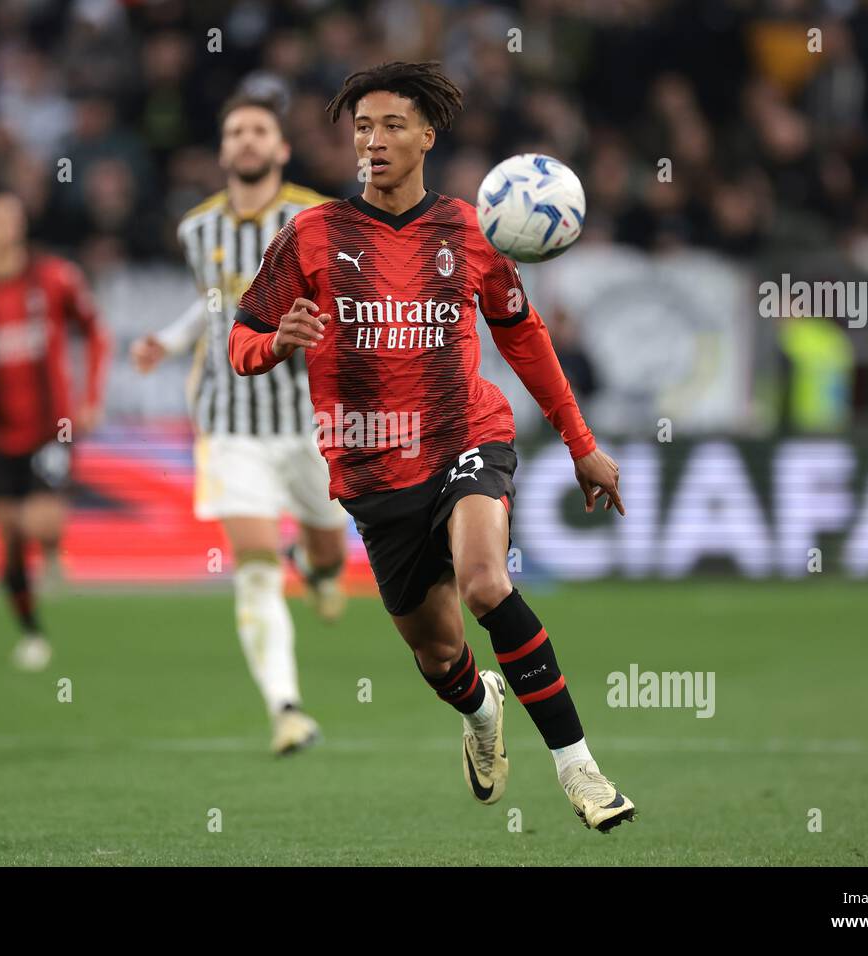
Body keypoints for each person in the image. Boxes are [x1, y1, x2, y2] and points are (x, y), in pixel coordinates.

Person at [228, 62, 636, 830]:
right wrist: (275, 343)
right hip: (370, 464)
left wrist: (581, 443)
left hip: (466, 437)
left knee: (486, 583)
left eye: (389, 126)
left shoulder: (469, 234)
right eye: (361, 128)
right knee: (440, 654)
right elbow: (241, 338)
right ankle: (481, 709)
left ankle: (580, 769)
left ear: (427, 135)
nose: (372, 142)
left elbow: (524, 339)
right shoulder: (312, 235)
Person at [131, 93, 347, 755]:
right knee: (253, 566)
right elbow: (215, 306)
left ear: (281, 149)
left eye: (259, 130)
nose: (247, 141)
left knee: (329, 555)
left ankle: (319, 570)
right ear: (223, 151)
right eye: (235, 132)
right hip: (230, 422)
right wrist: (168, 343)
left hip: (308, 420)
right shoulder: (198, 230)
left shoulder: (316, 219)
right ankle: (286, 709)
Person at [0, 189, 108, 671]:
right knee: (9, 536)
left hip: (51, 428)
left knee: (40, 522)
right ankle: (31, 632)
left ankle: (52, 548)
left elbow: (95, 332)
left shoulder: (54, 277)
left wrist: (91, 397)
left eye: (13, 217)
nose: (7, 226)